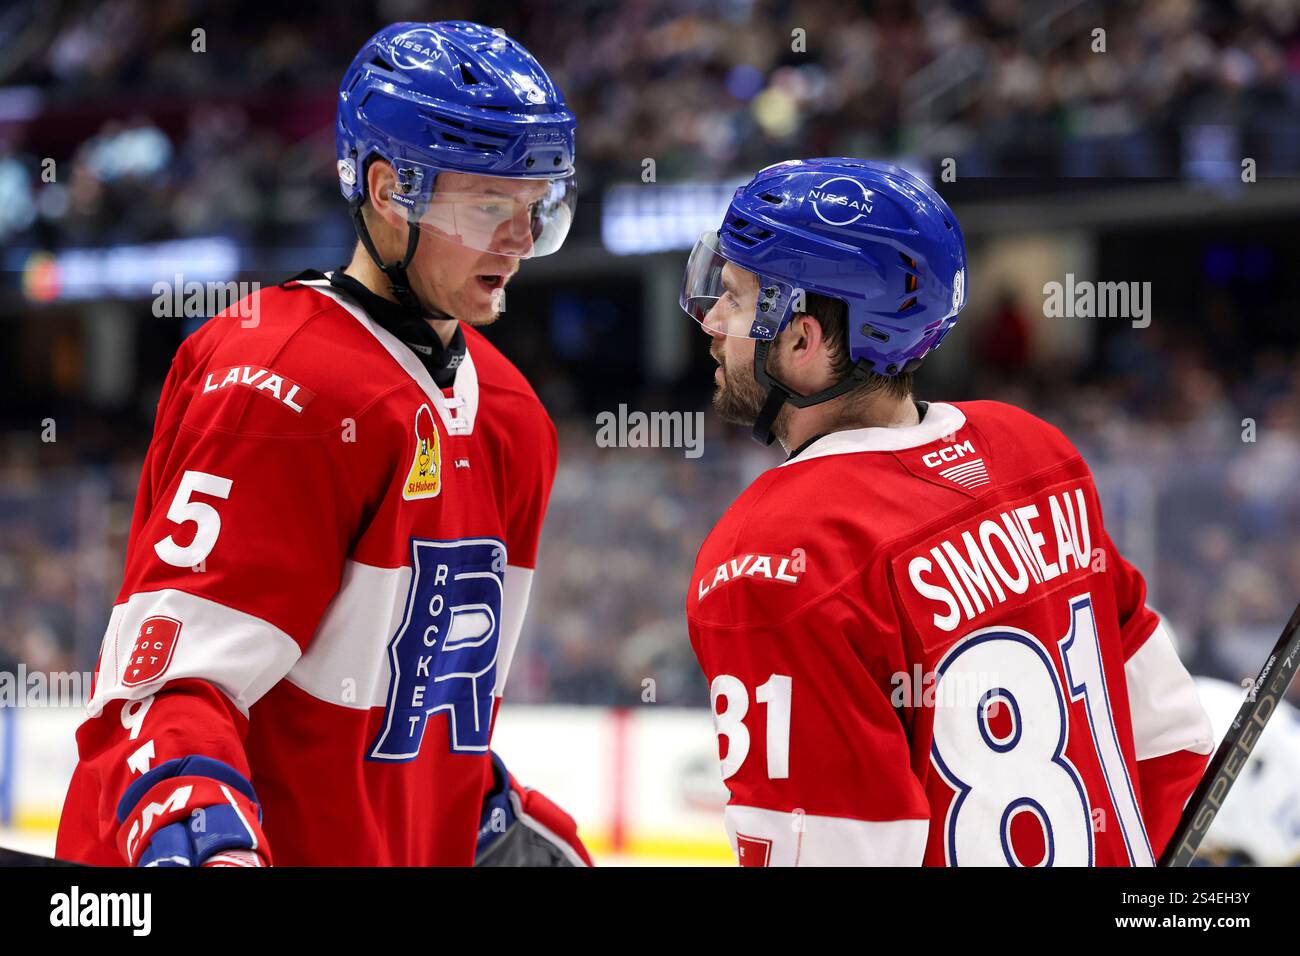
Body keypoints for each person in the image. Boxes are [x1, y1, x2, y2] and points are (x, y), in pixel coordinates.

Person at [56, 21, 590, 867]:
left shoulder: (514, 419)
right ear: (389, 190)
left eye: (537, 207)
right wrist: (197, 833)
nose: (521, 239)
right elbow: (167, 685)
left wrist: (478, 805)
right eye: (490, 205)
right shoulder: (275, 377)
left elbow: (395, 702)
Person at [681, 157, 1214, 866]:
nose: (713, 322)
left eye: (735, 298)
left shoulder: (772, 554)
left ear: (804, 340)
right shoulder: (1035, 453)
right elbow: (1171, 733)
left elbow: (840, 851)